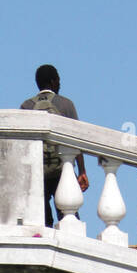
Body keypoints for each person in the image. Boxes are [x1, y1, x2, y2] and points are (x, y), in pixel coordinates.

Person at [20, 65, 88, 227]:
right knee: (68, 215)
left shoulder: (26, 106)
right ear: (53, 81)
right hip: (62, 170)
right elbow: (75, 140)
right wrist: (82, 171)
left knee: (42, 220)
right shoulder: (66, 105)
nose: (60, 83)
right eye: (58, 79)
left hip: (38, 172)